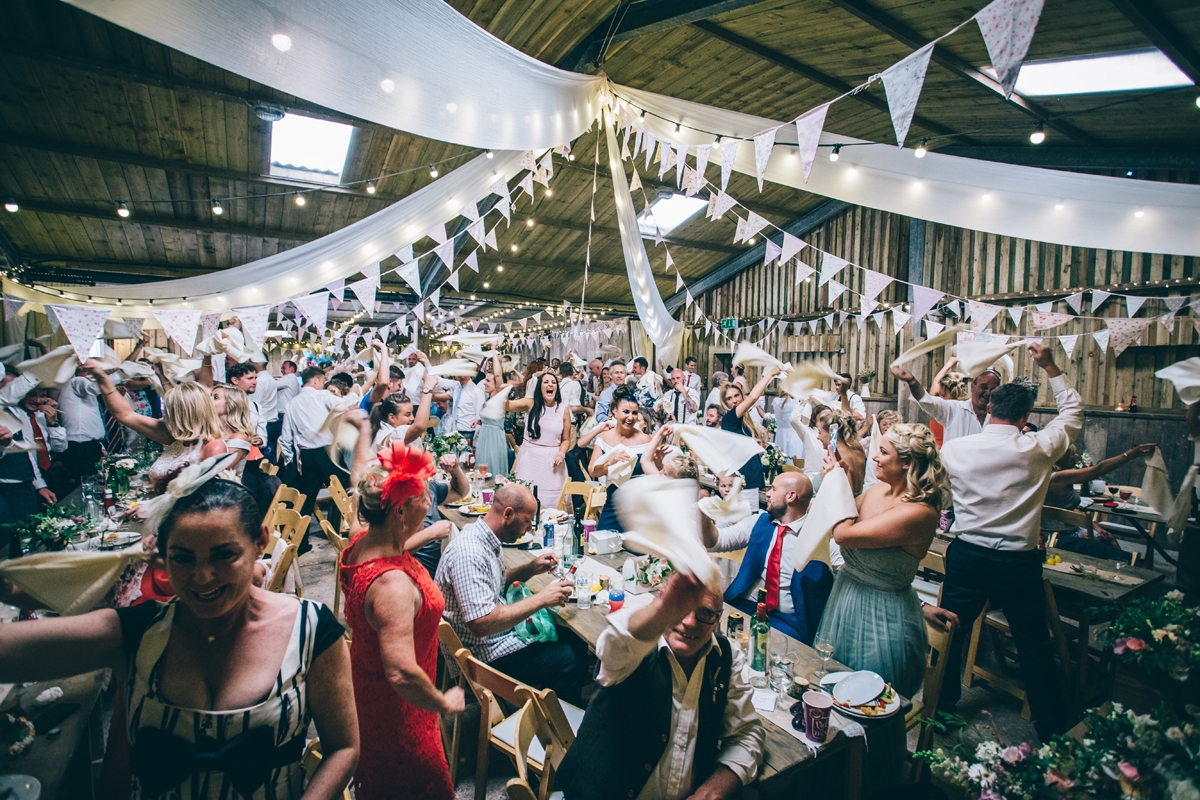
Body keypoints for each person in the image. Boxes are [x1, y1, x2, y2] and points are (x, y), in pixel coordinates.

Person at [0, 475, 359, 798]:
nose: (203, 577)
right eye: (183, 559)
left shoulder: (313, 631)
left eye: (224, 555)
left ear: (259, 542)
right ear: (161, 558)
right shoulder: (135, 632)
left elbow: (343, 747)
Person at [936, 342, 1082, 738]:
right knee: (1034, 643)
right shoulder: (1037, 447)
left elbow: (939, 490)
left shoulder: (954, 449)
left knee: (951, 632)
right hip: (1018, 562)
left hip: (967, 555)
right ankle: (1052, 728)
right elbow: (1072, 414)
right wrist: (1051, 366)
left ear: (990, 408)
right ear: (1025, 416)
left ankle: (941, 707)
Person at [557, 571, 764, 800]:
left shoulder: (726, 657)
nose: (689, 622)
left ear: (718, 618)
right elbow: (615, 640)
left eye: (705, 613)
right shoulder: (635, 649)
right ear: (661, 600)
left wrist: (712, 791)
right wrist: (663, 611)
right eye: (680, 606)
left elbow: (747, 734)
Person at [340, 445, 463, 799]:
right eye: (424, 497)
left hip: (366, 684)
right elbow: (402, 673)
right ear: (399, 510)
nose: (429, 503)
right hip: (401, 712)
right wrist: (443, 701)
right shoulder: (392, 585)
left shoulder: (362, 542)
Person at [814, 423, 950, 696]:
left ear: (906, 462)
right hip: (846, 600)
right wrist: (843, 481)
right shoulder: (877, 491)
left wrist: (837, 483)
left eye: (883, 452)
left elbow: (843, 533)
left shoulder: (919, 512)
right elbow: (842, 520)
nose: (874, 456)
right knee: (834, 694)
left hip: (882, 619)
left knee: (869, 702)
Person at [435, 484, 587, 704]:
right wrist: (542, 599)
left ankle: (546, 706)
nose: (529, 529)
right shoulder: (469, 553)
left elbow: (492, 583)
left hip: (492, 642)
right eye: (527, 521)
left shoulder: (482, 536)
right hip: (482, 659)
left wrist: (530, 569)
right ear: (508, 514)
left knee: (572, 639)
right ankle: (555, 729)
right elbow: (482, 623)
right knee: (572, 656)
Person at [700, 472, 833, 644]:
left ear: (791, 496)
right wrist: (703, 517)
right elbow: (716, 541)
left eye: (774, 489)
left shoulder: (820, 537)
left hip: (790, 621)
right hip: (746, 606)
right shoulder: (759, 521)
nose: (768, 493)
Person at [85, 367, 228, 494]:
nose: (166, 413)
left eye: (170, 410)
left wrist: (152, 507)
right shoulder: (173, 435)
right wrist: (102, 378)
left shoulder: (213, 446)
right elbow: (125, 414)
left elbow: (202, 496)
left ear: (186, 413)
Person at [1041, 442, 1156, 561]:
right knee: (1108, 539)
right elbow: (1099, 469)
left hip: (1065, 529)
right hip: (1059, 536)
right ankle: (1126, 567)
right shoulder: (1058, 478)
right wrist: (1133, 453)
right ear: (1061, 458)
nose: (1077, 455)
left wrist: (1094, 525)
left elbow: (1066, 508)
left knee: (1105, 534)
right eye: (1072, 454)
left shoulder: (1045, 474)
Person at [584, 386, 655, 531]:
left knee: (638, 551)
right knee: (601, 546)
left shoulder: (646, 439)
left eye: (635, 413)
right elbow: (593, 471)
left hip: (639, 504)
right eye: (626, 412)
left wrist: (659, 460)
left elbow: (655, 473)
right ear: (615, 411)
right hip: (613, 503)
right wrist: (610, 462)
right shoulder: (604, 437)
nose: (631, 417)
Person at [891, 361, 1001, 444]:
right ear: (972, 387)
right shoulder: (954, 409)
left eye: (993, 389)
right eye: (984, 387)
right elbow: (927, 401)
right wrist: (912, 381)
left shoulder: (1000, 417)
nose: (988, 392)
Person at [507, 372, 571, 508]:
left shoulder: (563, 410)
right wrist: (503, 390)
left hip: (552, 463)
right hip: (530, 459)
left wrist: (561, 453)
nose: (550, 385)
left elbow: (566, 439)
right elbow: (508, 406)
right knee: (525, 499)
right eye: (546, 382)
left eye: (553, 382)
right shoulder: (530, 404)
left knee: (552, 504)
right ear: (539, 387)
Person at [721, 366, 780, 491]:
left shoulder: (744, 420)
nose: (735, 401)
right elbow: (753, 397)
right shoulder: (729, 417)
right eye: (729, 399)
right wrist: (769, 374)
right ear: (725, 403)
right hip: (743, 477)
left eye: (737, 396)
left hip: (752, 474)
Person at [58, 365, 108, 479]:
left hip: (85, 445)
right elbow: (94, 388)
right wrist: (110, 376)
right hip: (81, 448)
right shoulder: (78, 381)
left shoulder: (73, 385)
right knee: (89, 483)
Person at [472, 354, 511, 478]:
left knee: (493, 474)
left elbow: (498, 375)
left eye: (488, 381)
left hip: (494, 441)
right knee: (481, 473)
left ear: (497, 384)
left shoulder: (501, 399)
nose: (484, 383)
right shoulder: (488, 400)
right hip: (483, 439)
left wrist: (493, 351)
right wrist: (479, 420)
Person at [212, 384, 256, 479]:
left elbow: (217, 469)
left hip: (223, 490)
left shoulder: (240, 437)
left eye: (215, 397)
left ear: (231, 405)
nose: (208, 400)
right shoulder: (213, 431)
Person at [771, 391, 802, 458]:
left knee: (780, 457)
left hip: (780, 434)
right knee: (794, 456)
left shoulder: (776, 401)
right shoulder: (794, 402)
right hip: (793, 433)